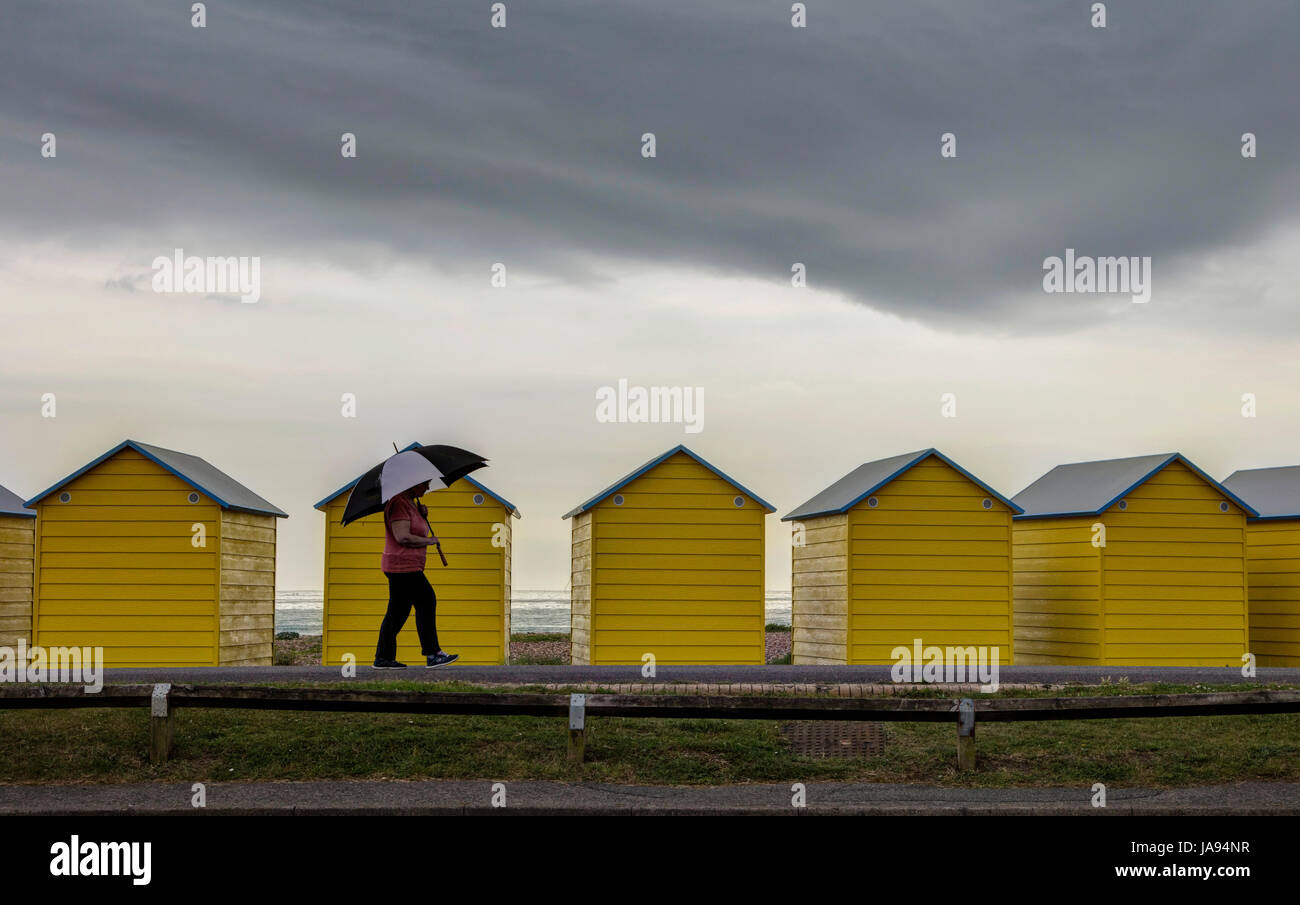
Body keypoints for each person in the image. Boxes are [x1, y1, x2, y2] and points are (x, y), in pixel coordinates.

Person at [372, 480, 459, 669]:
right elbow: (402, 537)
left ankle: (383, 658)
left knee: (397, 612)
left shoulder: (410, 503)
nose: (428, 487)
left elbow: (411, 529)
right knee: (427, 600)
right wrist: (429, 541)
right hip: (402, 565)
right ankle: (433, 653)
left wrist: (421, 515)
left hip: (407, 565)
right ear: (412, 483)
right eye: (425, 484)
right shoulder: (398, 503)